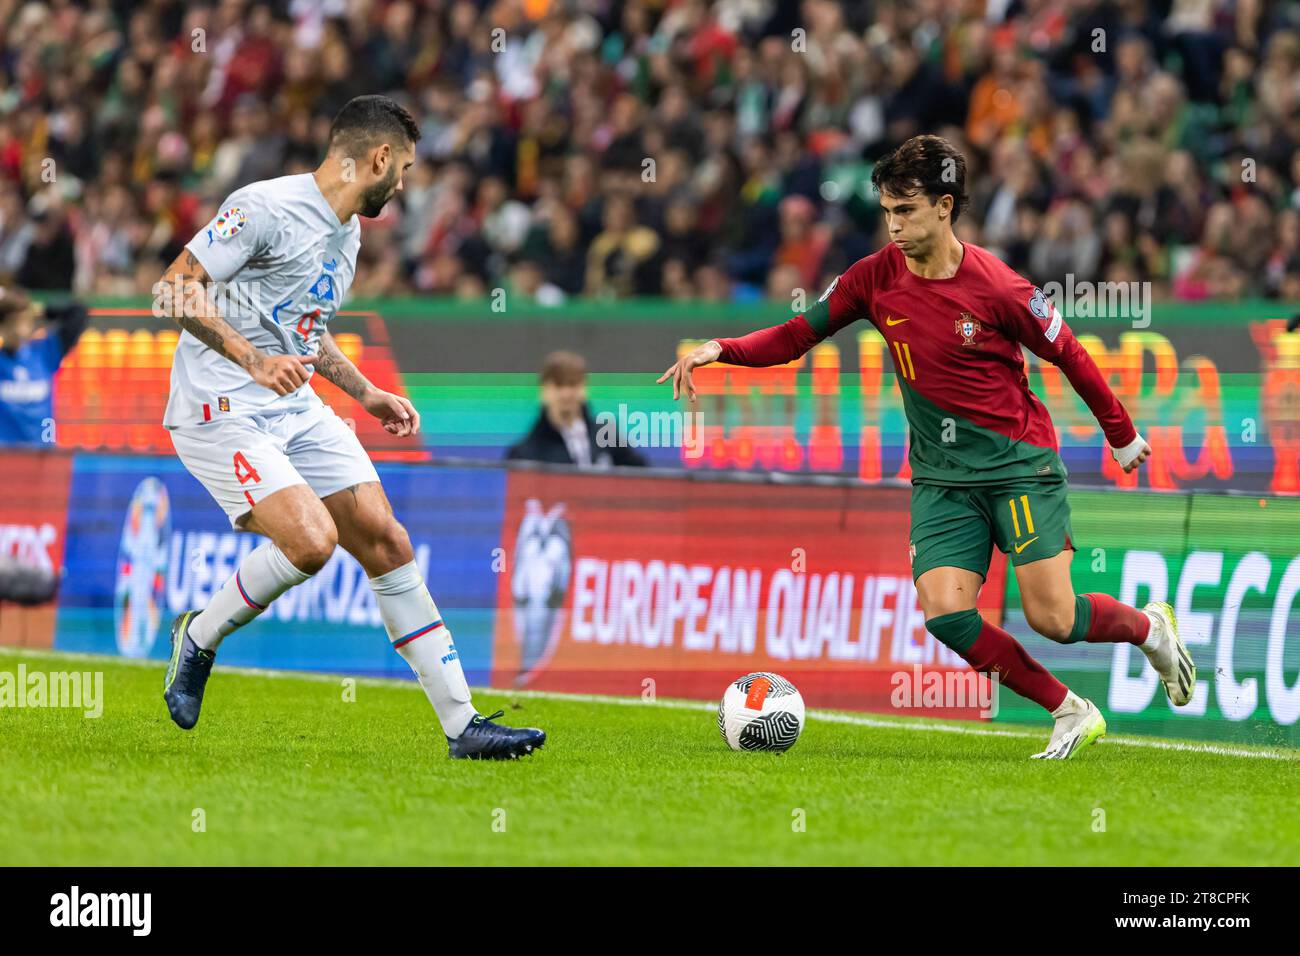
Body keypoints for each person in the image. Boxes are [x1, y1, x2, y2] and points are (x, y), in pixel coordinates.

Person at [659, 135, 1195, 760]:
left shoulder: (999, 288)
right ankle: (1069, 710)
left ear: (945, 207)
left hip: (1017, 465)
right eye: (887, 211)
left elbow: (1069, 351)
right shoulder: (871, 278)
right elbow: (796, 336)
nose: (894, 226)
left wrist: (1121, 433)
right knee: (945, 613)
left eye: (906, 210)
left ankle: (1149, 629)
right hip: (941, 478)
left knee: (1054, 617)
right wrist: (720, 349)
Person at [157, 94, 543, 759]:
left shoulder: (349, 233)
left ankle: (463, 727)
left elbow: (306, 331)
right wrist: (251, 360)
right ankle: (198, 636)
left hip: (294, 403)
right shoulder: (265, 207)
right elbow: (173, 287)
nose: (404, 184)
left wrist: (365, 392)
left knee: (387, 542)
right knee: (312, 542)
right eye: (405, 169)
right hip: (221, 405)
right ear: (379, 157)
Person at [506, 350, 648, 468]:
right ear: (543, 391)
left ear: (584, 388)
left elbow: (643, 477)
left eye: (573, 384)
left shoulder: (606, 435)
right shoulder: (525, 455)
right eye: (558, 385)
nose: (566, 393)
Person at [0, 287, 87, 446]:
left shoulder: (45, 351)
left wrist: (46, 310)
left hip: (43, 456)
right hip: (6, 457)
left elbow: (79, 312)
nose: (19, 330)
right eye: (12, 324)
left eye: (24, 322)